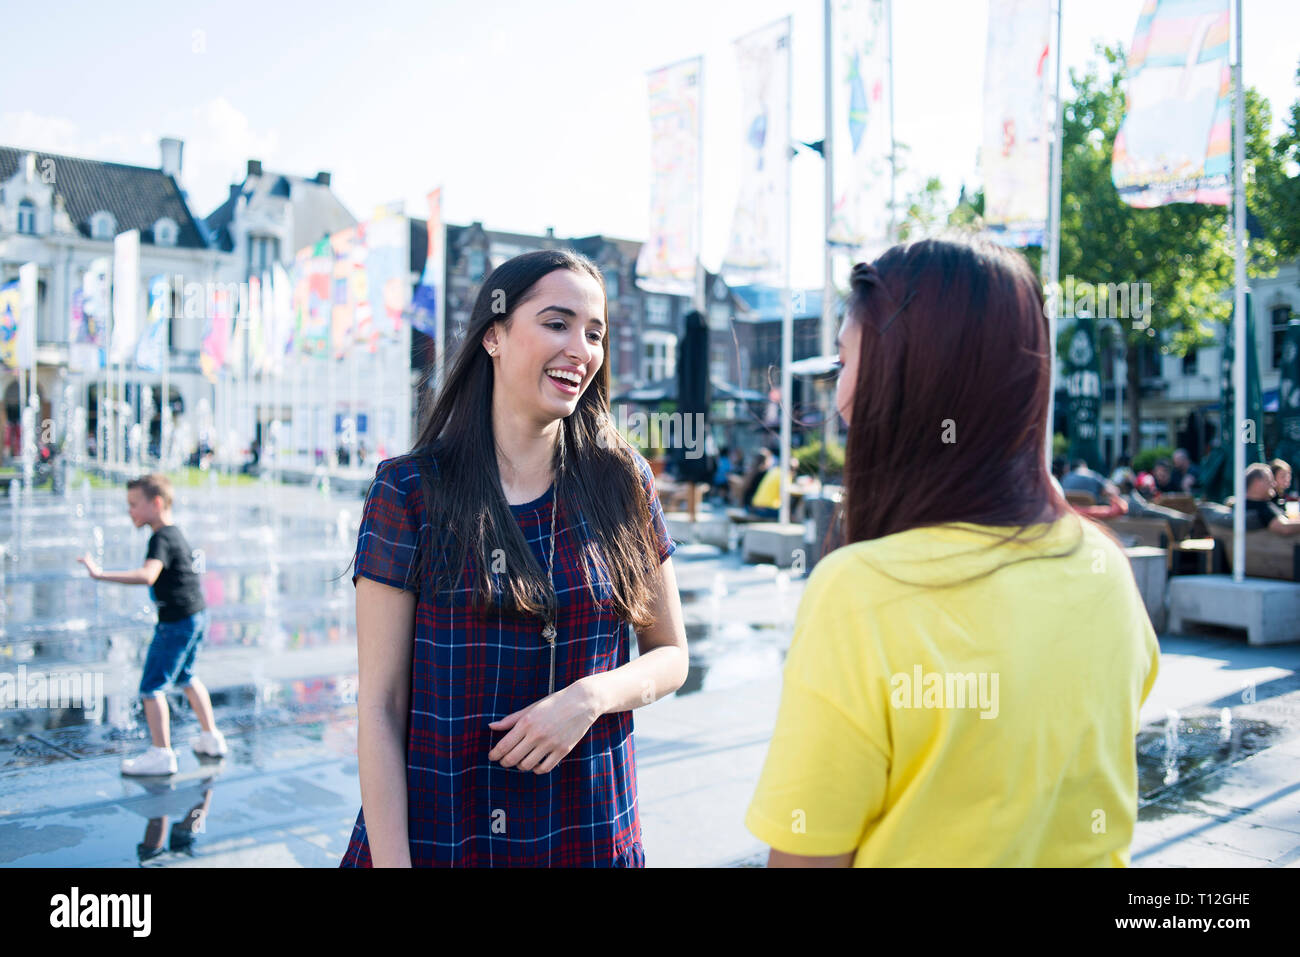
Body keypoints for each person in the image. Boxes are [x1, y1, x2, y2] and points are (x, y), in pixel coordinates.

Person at [744, 235, 1159, 867]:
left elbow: (808, 856)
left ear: (901, 380)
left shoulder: (859, 591)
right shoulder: (1104, 568)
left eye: (846, 360)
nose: (840, 395)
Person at [342, 249, 688, 868]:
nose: (581, 350)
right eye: (556, 323)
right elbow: (380, 708)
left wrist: (590, 696)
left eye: (594, 332)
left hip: (588, 834)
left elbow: (671, 655)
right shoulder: (410, 492)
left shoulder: (622, 481)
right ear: (494, 336)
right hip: (445, 836)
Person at [77, 473, 227, 775]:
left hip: (176, 622)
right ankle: (212, 738)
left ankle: (162, 754)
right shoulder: (174, 533)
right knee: (186, 676)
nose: (129, 511)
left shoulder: (160, 538)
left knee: (151, 687)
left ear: (156, 503)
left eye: (134, 504)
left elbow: (148, 575)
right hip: (195, 616)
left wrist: (100, 574)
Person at [1244, 463, 1300, 536]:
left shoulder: (1245, 505)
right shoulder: (1259, 507)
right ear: (1257, 483)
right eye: (1270, 480)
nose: (1274, 484)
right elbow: (1284, 528)